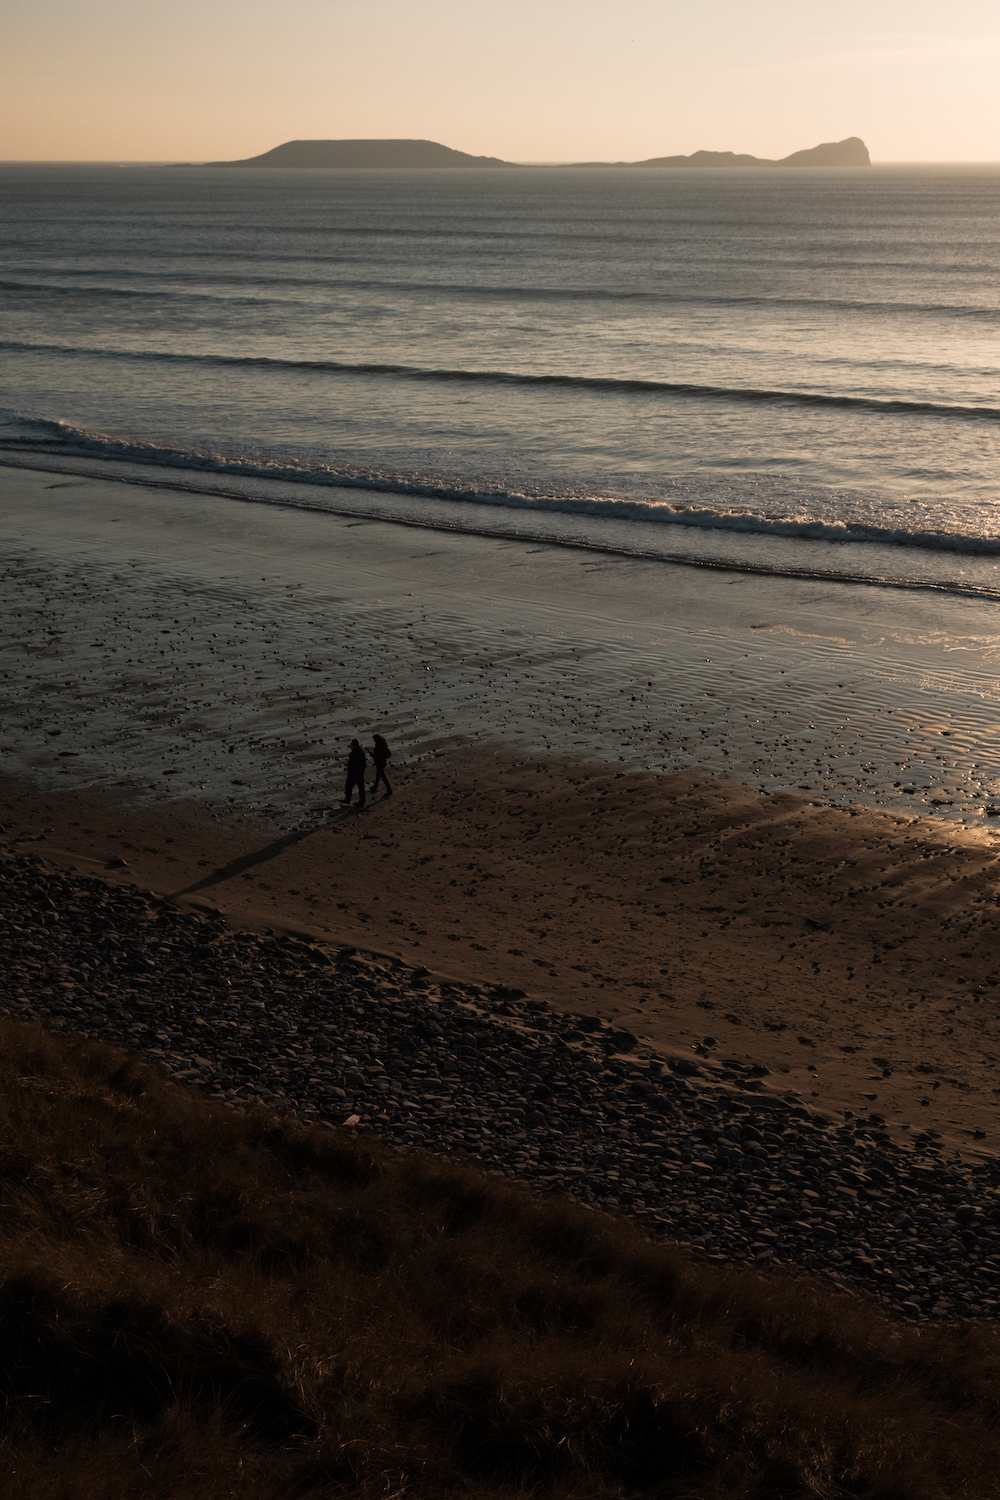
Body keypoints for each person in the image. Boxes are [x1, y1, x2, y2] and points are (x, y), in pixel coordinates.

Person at [341, 738, 367, 807]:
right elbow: (364, 763)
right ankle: (361, 801)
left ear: (353, 744)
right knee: (361, 787)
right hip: (360, 772)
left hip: (354, 772)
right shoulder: (361, 752)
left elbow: (353, 763)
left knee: (349, 786)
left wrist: (350, 769)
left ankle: (348, 799)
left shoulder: (355, 752)